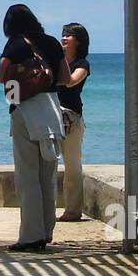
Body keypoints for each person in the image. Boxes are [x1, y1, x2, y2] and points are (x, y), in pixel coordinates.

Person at [0, 4, 68, 251]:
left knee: (27, 176)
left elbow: (0, 75)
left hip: (24, 110)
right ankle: (46, 232)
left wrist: (20, 76)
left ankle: (30, 236)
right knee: (47, 175)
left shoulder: (15, 44)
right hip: (51, 110)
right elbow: (65, 78)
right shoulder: (52, 43)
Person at [56, 23, 91, 222]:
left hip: (72, 119)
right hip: (53, 116)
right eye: (63, 34)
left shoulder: (82, 64)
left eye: (68, 35)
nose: (64, 38)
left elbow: (70, 81)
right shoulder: (58, 60)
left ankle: (73, 210)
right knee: (48, 164)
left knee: (72, 166)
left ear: (78, 40)